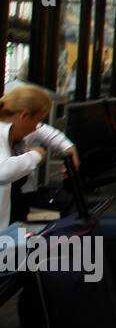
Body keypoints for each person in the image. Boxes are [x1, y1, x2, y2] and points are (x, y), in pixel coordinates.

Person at [0, 86, 52, 229]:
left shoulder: (15, 140)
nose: (35, 128)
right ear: (24, 116)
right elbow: (3, 171)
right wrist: (36, 155)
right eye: (37, 121)